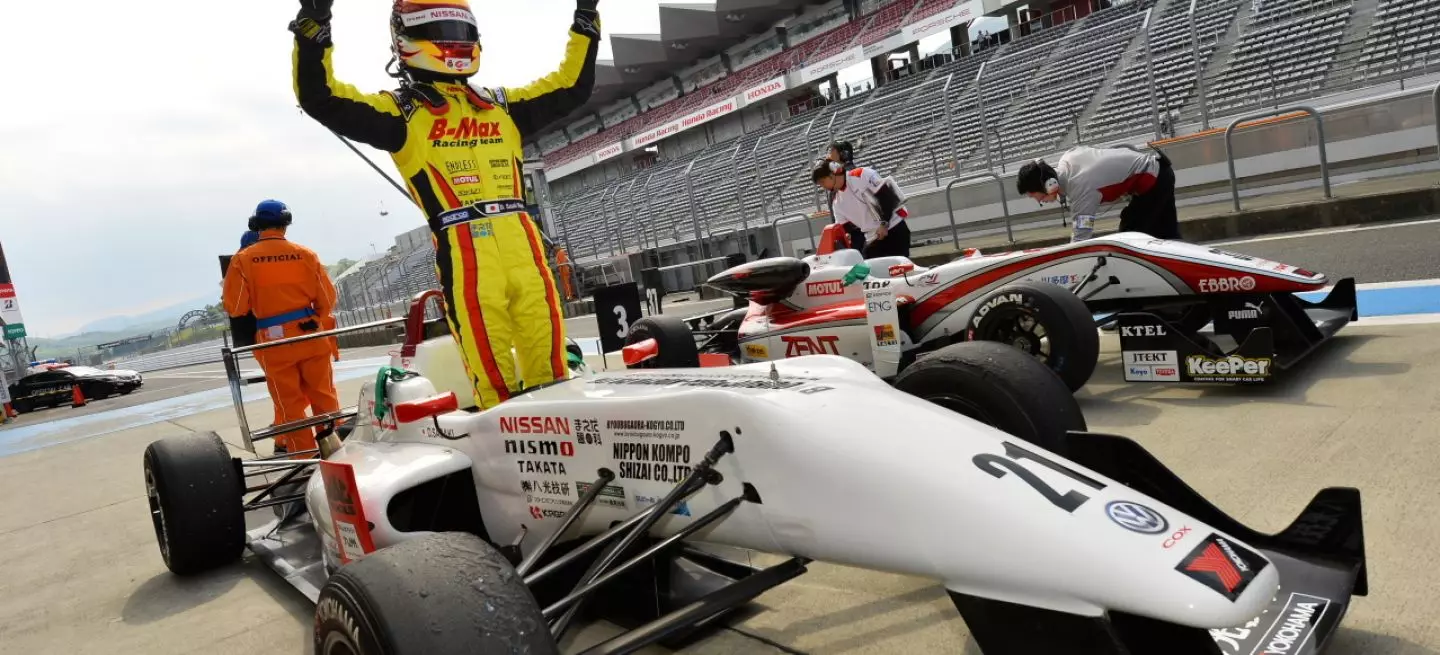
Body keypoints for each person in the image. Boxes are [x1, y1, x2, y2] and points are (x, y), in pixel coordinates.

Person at [289, 0, 600, 409]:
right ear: (406, 39)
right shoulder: (400, 112)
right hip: (466, 253)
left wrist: (585, 18)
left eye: (460, 31)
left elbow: (571, 86)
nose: (453, 42)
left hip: (526, 250)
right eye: (441, 32)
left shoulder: (501, 104)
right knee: (496, 384)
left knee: (555, 373)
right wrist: (314, 26)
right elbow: (320, 96)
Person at [223, 200, 341, 456]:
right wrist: (314, 318)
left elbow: (236, 307)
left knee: (290, 405)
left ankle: (306, 459)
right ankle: (337, 451)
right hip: (311, 335)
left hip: (273, 343)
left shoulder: (243, 260)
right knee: (324, 396)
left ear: (256, 224)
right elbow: (328, 299)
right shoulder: (306, 254)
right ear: (286, 223)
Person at [1016, 145, 1179, 242]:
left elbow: (1081, 238)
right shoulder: (1068, 157)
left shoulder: (1081, 189)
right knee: (1168, 234)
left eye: (1039, 198)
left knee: (1130, 238)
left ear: (1049, 186)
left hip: (1155, 181)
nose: (1041, 201)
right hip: (1159, 171)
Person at [812, 161, 912, 259]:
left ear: (832, 175)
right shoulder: (836, 202)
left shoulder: (861, 174)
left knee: (900, 271)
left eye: (822, 181)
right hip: (872, 238)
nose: (823, 186)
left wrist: (884, 223)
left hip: (894, 227)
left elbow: (886, 196)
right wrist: (846, 236)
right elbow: (846, 229)